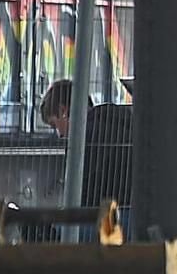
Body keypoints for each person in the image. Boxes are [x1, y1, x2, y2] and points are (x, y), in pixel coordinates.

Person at [39, 78, 135, 208]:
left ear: (63, 111)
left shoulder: (84, 137)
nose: (59, 134)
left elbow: (81, 193)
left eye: (54, 125)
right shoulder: (117, 122)